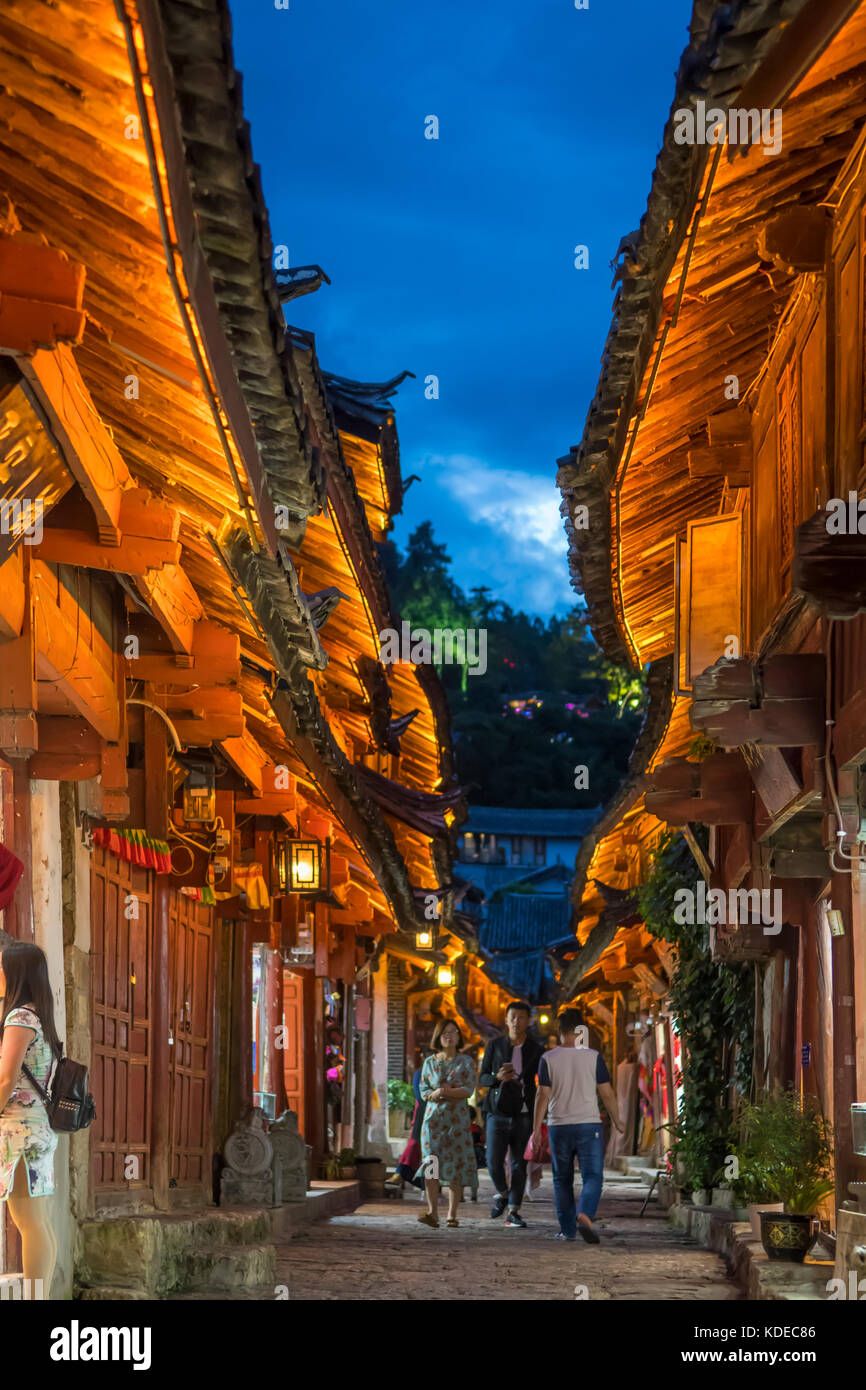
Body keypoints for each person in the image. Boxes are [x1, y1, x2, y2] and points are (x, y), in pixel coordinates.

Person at [0, 940, 62, 1296]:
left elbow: (6, 1080)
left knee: (28, 1222)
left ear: (16, 972)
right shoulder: (38, 1015)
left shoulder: (20, 1017)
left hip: (21, 1132)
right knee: (38, 1223)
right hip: (36, 1129)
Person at [532, 1006, 623, 1244]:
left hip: (558, 1126)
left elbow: (542, 1095)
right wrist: (617, 1120)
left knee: (562, 1179)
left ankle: (567, 1230)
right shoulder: (593, 1057)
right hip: (588, 1125)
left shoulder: (548, 1058)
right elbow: (607, 1093)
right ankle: (585, 1213)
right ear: (581, 1029)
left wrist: (536, 1130)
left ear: (560, 1030)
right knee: (593, 1175)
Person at [478, 1000, 543, 1228]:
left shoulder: (536, 1049)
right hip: (497, 1112)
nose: (517, 1021)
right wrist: (497, 1078)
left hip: (523, 1113)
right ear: (506, 1020)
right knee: (492, 1161)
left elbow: (542, 1084)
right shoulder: (495, 1045)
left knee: (519, 1164)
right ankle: (503, 1194)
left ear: (528, 1021)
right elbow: (482, 1078)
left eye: (522, 1017)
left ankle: (514, 1210)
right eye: (512, 1016)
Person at [415, 1018, 476, 1228]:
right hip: (433, 1122)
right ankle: (432, 1212)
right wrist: (437, 1093)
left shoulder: (466, 1062)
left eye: (454, 1032)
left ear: (459, 1036)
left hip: (457, 1122)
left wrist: (445, 1092)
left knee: (455, 1166)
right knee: (431, 1164)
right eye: (445, 1032)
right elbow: (423, 1091)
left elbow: (468, 1089)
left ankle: (452, 1214)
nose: (449, 1036)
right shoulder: (429, 1063)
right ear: (438, 1037)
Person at [387, 1058, 427, 1189]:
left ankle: (409, 1176)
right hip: (423, 1110)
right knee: (415, 1142)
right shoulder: (420, 1072)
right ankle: (401, 1172)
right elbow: (419, 1096)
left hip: (441, 1114)